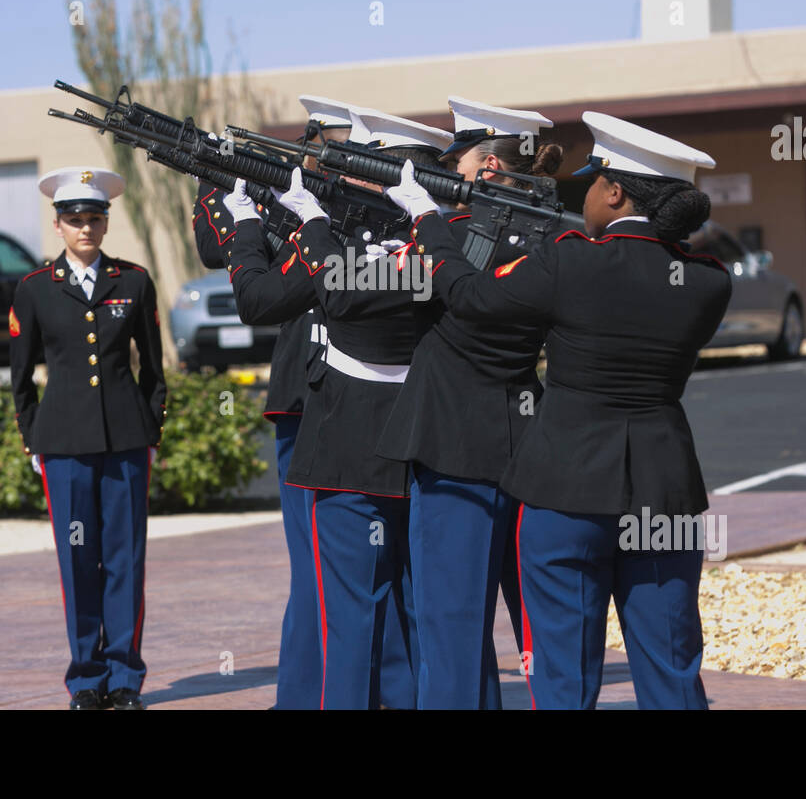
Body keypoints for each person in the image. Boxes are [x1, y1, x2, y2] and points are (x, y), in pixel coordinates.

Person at [383, 112, 732, 709]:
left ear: (616, 192)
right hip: (662, 489)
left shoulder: (570, 261)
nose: (586, 191)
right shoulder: (708, 282)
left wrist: (427, 224)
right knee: (672, 666)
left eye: (595, 180)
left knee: (564, 676)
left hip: (564, 491)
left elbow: (470, 298)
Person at [223, 108, 452, 708]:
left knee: (345, 617)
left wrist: (287, 222)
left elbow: (331, 287)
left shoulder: (401, 255)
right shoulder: (441, 245)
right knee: (404, 608)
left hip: (350, 450)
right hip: (416, 448)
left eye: (367, 167)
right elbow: (264, 298)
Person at [375, 97, 560, 708]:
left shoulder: (446, 236)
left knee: (452, 625)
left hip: (453, 449)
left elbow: (363, 295)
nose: (448, 175)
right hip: (529, 443)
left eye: (458, 163)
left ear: (487, 170)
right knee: (541, 626)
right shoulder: (562, 240)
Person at [188, 95, 345, 709]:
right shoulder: (289, 195)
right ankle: (308, 694)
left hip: (375, 397)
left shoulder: (381, 208)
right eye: (333, 147)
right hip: (306, 392)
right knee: (313, 567)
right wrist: (217, 176)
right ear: (310, 145)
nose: (343, 162)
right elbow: (213, 246)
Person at [9, 166, 167, 710]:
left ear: (105, 222)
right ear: (58, 225)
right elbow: (20, 374)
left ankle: (124, 678)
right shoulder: (34, 290)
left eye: (94, 219)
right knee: (78, 561)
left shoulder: (134, 281)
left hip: (125, 441)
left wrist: (151, 426)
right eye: (74, 220)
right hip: (64, 446)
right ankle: (85, 679)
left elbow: (153, 366)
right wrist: (33, 437)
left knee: (125, 559)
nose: (85, 229)